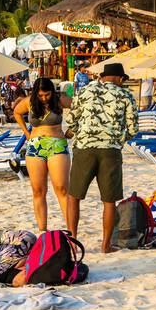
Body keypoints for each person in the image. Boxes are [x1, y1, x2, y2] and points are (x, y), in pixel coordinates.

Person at [66, 62, 139, 252]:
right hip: (110, 151)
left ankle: (73, 242)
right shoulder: (126, 96)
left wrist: (81, 132)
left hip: (84, 148)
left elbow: (71, 120)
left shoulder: (85, 90)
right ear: (118, 78)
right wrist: (119, 139)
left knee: (73, 197)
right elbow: (133, 129)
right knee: (109, 201)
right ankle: (106, 245)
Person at [13, 77, 73, 233]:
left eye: (47, 95)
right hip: (35, 147)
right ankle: (43, 231)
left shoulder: (60, 100)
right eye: (40, 95)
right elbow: (17, 112)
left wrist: (73, 128)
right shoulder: (29, 102)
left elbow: (80, 108)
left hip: (57, 144)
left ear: (52, 92)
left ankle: (71, 231)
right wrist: (26, 133)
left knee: (62, 189)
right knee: (38, 190)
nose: (44, 98)